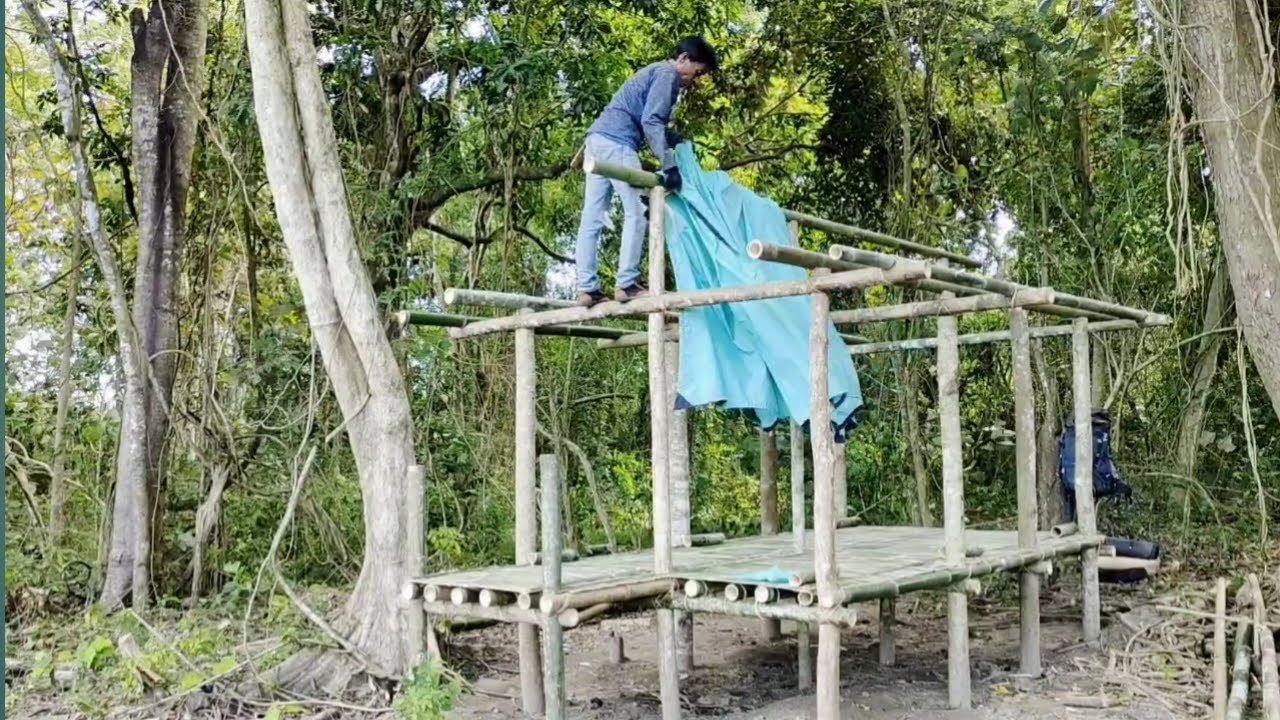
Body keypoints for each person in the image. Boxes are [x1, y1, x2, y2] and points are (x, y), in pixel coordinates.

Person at [573, 36, 719, 307]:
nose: (695, 79)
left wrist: (676, 140)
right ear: (683, 59)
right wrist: (669, 165)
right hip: (617, 143)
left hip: (597, 141)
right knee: (637, 213)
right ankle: (627, 283)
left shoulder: (655, 71)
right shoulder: (668, 75)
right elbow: (651, 121)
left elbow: (650, 122)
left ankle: (586, 288)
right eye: (697, 72)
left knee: (592, 217)